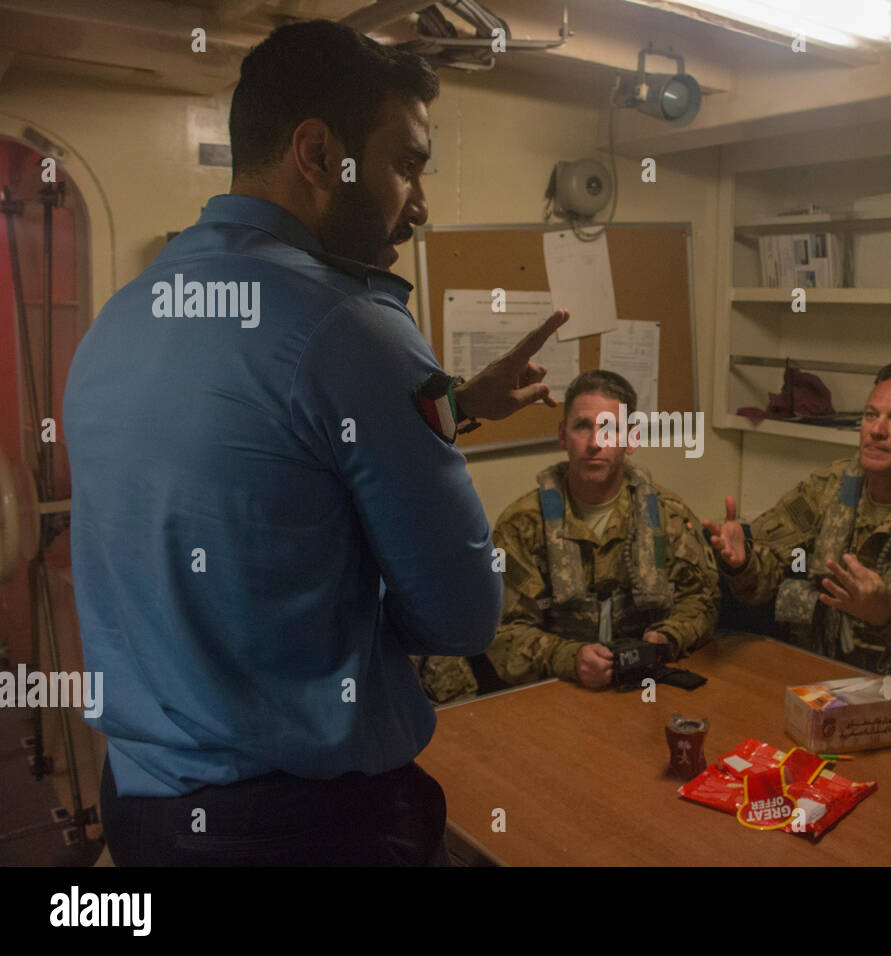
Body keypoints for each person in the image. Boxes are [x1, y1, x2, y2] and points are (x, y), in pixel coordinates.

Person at [62, 20, 566, 865]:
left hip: (146, 809)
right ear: (316, 151)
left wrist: (454, 409)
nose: (422, 203)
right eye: (405, 164)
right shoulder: (353, 325)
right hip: (300, 830)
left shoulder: (125, 314)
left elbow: (260, 464)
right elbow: (462, 614)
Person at [704, 363, 891, 674]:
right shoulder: (829, 486)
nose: (877, 430)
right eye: (871, 415)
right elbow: (766, 580)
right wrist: (741, 563)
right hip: (816, 672)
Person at [483, 370, 719, 690]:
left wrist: (667, 636)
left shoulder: (667, 515)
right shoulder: (522, 527)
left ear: (631, 439)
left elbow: (701, 600)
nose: (596, 443)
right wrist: (569, 657)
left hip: (646, 687)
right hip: (557, 692)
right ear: (563, 435)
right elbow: (503, 634)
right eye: (583, 427)